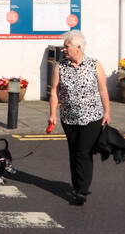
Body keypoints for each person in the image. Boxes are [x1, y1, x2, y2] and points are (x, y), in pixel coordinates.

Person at [47, 31, 111, 205]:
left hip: (92, 117)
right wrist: (52, 113)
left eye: (67, 47)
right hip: (68, 117)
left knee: (83, 152)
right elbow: (54, 91)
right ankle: (76, 185)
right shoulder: (60, 66)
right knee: (74, 152)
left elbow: (103, 90)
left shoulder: (94, 65)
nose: (64, 50)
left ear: (78, 47)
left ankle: (82, 190)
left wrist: (107, 112)